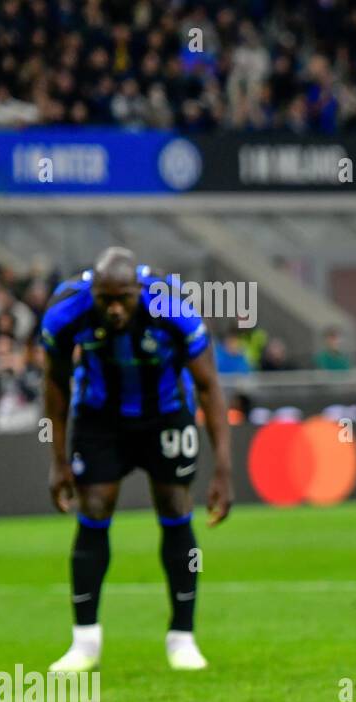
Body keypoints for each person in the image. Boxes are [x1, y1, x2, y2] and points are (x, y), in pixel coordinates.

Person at [41, 247, 233, 671]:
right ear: (92, 290)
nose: (113, 309)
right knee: (93, 510)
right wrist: (57, 460)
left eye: (122, 299)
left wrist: (223, 468)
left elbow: (208, 386)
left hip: (165, 414)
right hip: (100, 419)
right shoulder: (65, 309)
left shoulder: (171, 304)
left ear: (137, 291)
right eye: (104, 299)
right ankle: (85, 642)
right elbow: (55, 383)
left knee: (175, 509)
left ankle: (182, 636)